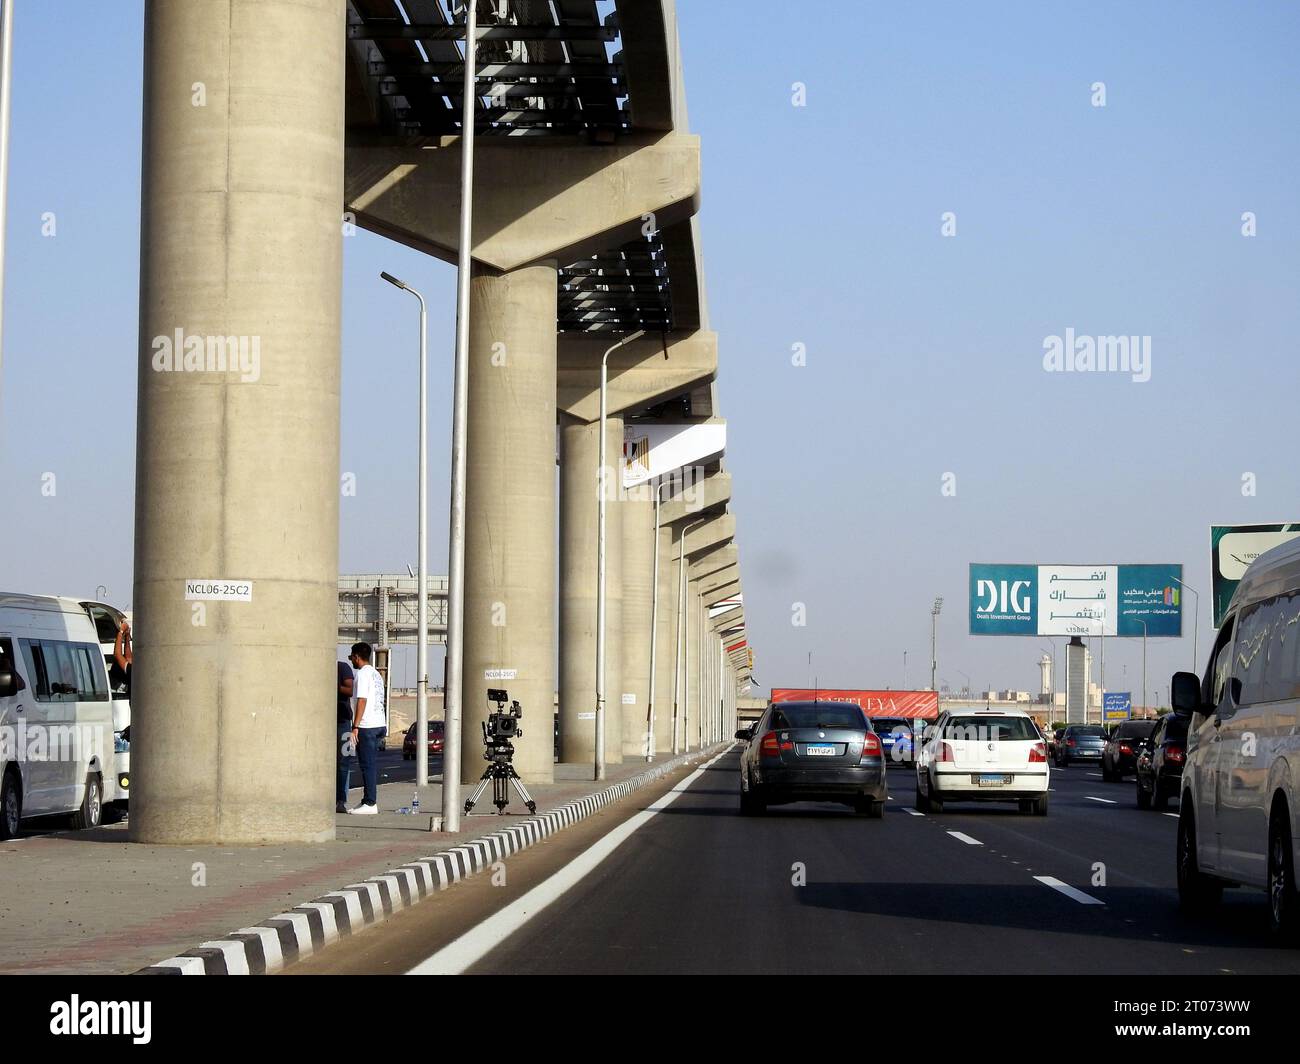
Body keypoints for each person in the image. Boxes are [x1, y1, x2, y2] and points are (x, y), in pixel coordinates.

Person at [347, 642, 386, 814]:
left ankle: (370, 803)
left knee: (367, 765)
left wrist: (355, 726)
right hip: (379, 724)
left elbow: (361, 700)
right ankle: (366, 801)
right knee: (369, 764)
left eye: (351, 657)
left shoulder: (362, 674)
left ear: (357, 656)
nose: (351, 661)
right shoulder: (376, 674)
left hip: (367, 726)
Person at [336, 659, 355, 813]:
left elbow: (350, 690)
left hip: (344, 722)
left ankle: (341, 800)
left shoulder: (343, 667)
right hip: (323, 722)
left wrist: (334, 684)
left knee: (344, 760)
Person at [113, 619, 133, 697]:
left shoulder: (134, 672)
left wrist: (120, 632)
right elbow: (128, 658)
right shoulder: (139, 672)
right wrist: (127, 637)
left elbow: (117, 655)